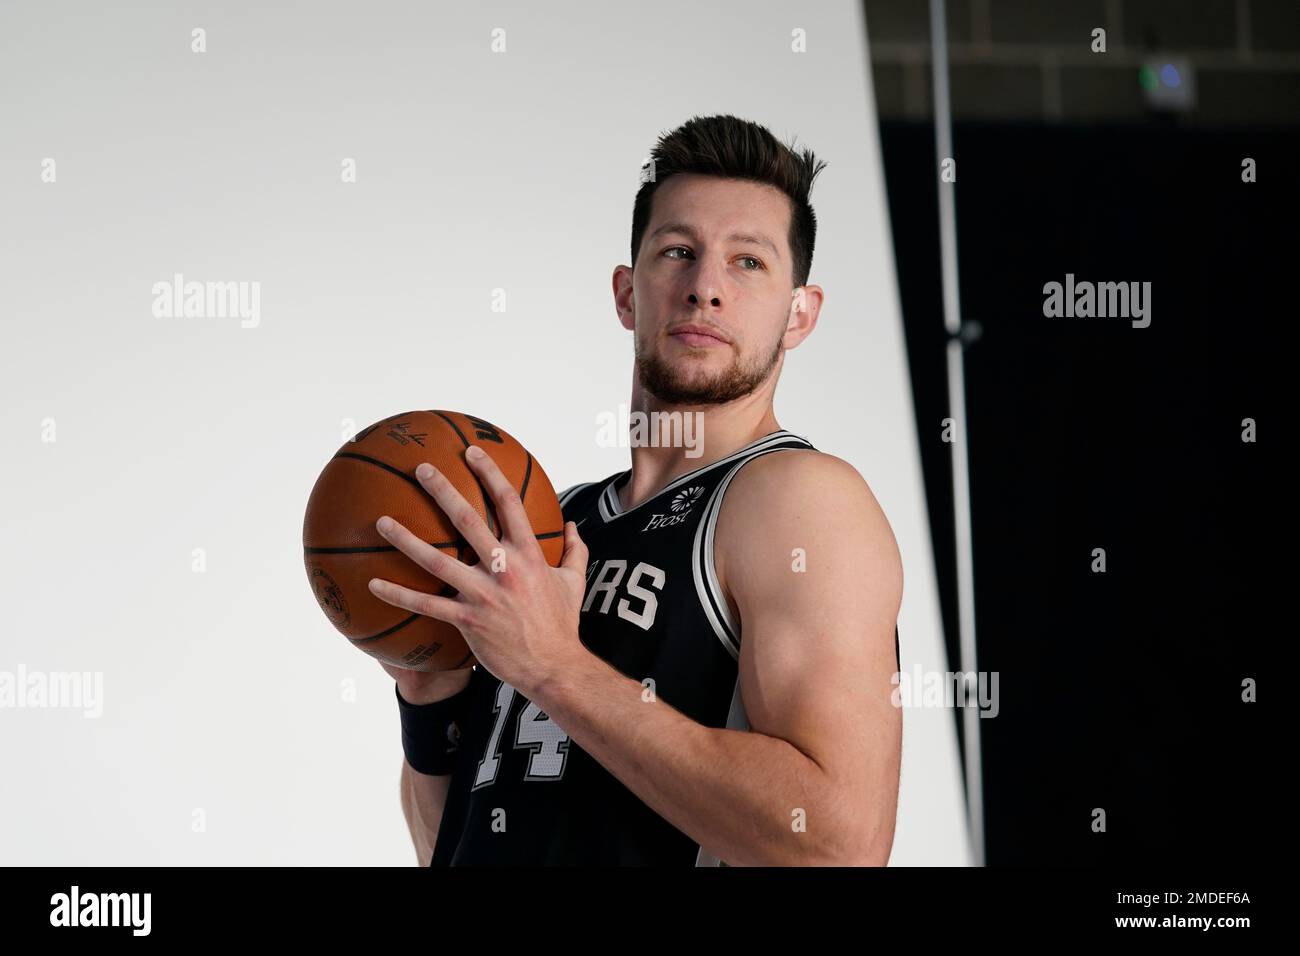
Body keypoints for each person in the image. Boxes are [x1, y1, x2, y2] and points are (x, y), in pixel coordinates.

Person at [371, 114, 903, 866]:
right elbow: (448, 849)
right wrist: (430, 698)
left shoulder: (798, 500)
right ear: (627, 293)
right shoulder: (557, 522)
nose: (705, 288)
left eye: (748, 263)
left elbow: (836, 843)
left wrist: (555, 666)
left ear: (800, 315)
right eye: (677, 252)